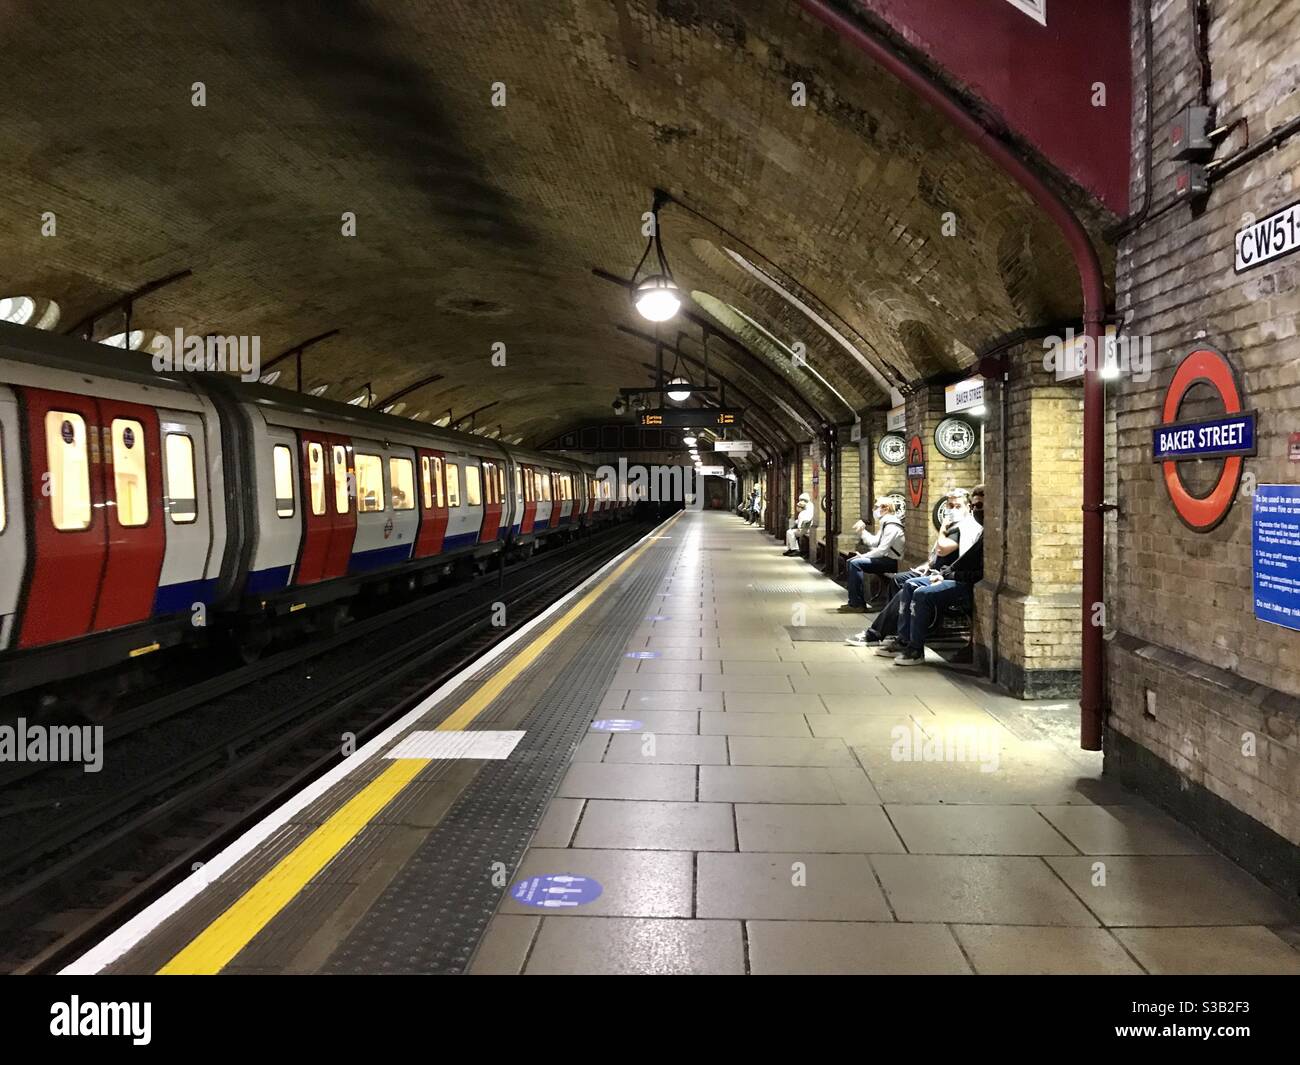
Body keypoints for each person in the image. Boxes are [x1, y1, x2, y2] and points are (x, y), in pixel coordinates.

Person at [845, 487, 971, 646]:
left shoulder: (962, 528)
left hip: (941, 575)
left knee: (908, 587)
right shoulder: (885, 524)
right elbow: (936, 556)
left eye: (957, 506)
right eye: (950, 506)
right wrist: (926, 565)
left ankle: (879, 632)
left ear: (968, 507)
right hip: (933, 570)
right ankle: (893, 628)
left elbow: (942, 548)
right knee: (897, 580)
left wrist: (942, 529)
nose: (952, 510)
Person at [889, 493, 984, 665]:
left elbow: (977, 571)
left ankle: (916, 649)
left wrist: (950, 574)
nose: (979, 511)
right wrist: (943, 573)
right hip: (949, 575)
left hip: (967, 583)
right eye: (950, 506)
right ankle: (904, 640)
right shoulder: (980, 531)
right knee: (908, 584)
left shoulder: (972, 529)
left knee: (922, 594)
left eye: (980, 506)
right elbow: (962, 560)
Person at [837, 495, 905, 612]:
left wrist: (863, 556)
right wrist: (862, 531)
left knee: (855, 563)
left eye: (876, 507)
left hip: (894, 562)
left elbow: (881, 550)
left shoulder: (892, 525)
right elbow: (874, 542)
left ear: (886, 508)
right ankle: (855, 601)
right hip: (887, 559)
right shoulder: (886, 523)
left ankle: (857, 604)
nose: (874, 510)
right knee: (851, 562)